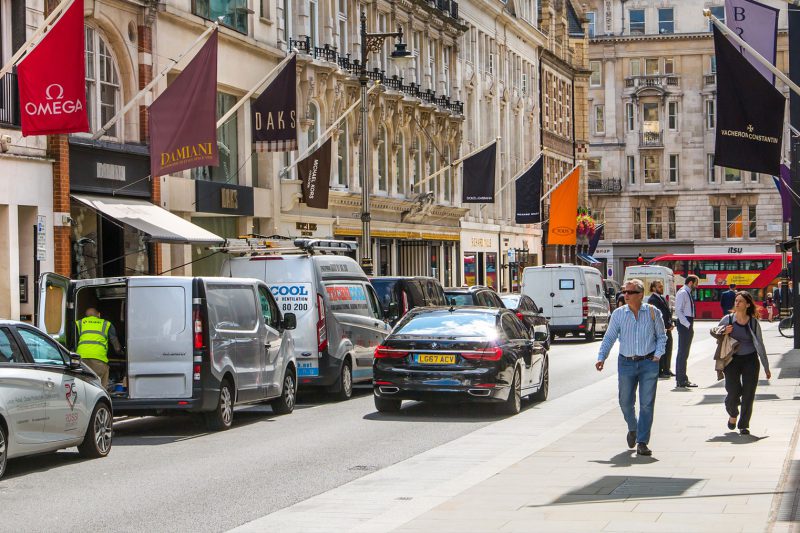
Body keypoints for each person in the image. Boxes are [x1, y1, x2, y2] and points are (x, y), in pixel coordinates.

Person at [596, 279, 667, 457]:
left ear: (640, 294)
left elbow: (662, 336)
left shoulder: (653, 312)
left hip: (648, 362)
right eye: (624, 292)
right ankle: (633, 428)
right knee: (625, 402)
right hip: (626, 362)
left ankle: (642, 442)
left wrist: (658, 354)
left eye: (630, 292)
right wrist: (601, 357)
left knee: (646, 404)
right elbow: (609, 337)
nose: (625, 295)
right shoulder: (619, 314)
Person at [715, 291, 771, 435]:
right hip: (732, 360)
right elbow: (714, 331)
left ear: (747, 304)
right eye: (736, 300)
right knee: (733, 391)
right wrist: (723, 331)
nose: (737, 303)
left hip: (750, 359)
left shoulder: (753, 322)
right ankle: (733, 413)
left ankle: (744, 424)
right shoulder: (727, 319)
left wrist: (766, 367)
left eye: (740, 301)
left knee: (748, 393)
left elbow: (760, 344)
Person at [76, 307, 122, 389]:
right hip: (98, 359)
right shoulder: (106, 324)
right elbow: (116, 345)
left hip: (81, 358)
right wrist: (120, 353)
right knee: (100, 385)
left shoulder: (80, 323)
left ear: (86, 316)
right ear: (99, 314)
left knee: (84, 383)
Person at [675, 275, 699, 389]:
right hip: (685, 323)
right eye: (696, 283)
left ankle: (682, 378)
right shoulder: (683, 293)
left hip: (687, 323)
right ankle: (681, 379)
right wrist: (687, 324)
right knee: (683, 353)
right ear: (691, 282)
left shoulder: (686, 292)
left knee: (684, 353)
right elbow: (678, 311)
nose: (696, 286)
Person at [648, 280, 674, 379]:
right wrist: (667, 325)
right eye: (659, 287)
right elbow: (659, 315)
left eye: (662, 286)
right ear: (653, 288)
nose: (661, 288)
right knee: (661, 351)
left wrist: (670, 323)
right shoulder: (653, 299)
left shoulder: (662, 298)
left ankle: (667, 369)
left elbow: (667, 312)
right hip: (660, 329)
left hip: (667, 328)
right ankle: (660, 371)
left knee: (668, 349)